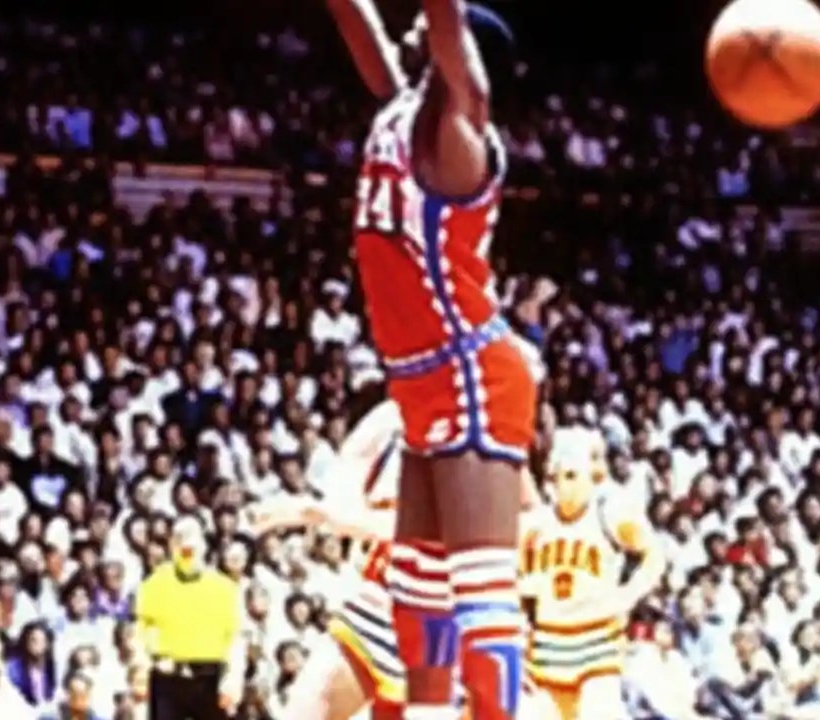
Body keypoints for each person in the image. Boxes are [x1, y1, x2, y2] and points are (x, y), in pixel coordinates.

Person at [327, 0, 532, 717]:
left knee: (480, 601)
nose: (416, 21)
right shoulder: (402, 109)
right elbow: (358, 24)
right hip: (422, 379)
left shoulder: (461, 130)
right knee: (417, 603)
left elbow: (444, 20)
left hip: (469, 373)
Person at [251, 389, 552, 720]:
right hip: (381, 594)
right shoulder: (391, 416)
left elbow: (535, 519)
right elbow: (348, 477)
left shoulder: (491, 432)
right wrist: (335, 510)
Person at [519, 427, 667, 720]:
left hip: (597, 642)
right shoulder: (532, 526)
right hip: (547, 645)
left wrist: (628, 594)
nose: (569, 485)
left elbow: (655, 555)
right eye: (563, 476)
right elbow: (512, 586)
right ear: (551, 477)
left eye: (577, 475)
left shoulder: (609, 515)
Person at [135, 515, 242, 720]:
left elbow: (235, 637)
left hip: (210, 679)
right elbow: (141, 631)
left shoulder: (223, 588)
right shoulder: (154, 584)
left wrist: (233, 677)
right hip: (168, 679)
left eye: (193, 543)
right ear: (172, 545)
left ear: (204, 545)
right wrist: (142, 668)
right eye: (181, 541)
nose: (188, 550)